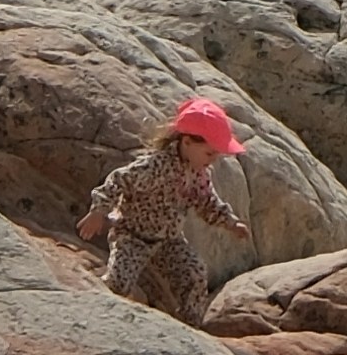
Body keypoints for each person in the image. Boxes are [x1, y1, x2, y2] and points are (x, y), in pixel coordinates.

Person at [79, 88, 254, 316]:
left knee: (194, 273)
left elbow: (207, 202)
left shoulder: (198, 174)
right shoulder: (156, 166)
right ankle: (96, 310)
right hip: (134, 236)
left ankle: (190, 325)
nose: (213, 161)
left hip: (169, 241)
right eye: (209, 153)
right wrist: (99, 210)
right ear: (188, 142)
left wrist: (231, 223)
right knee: (119, 283)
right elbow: (119, 180)